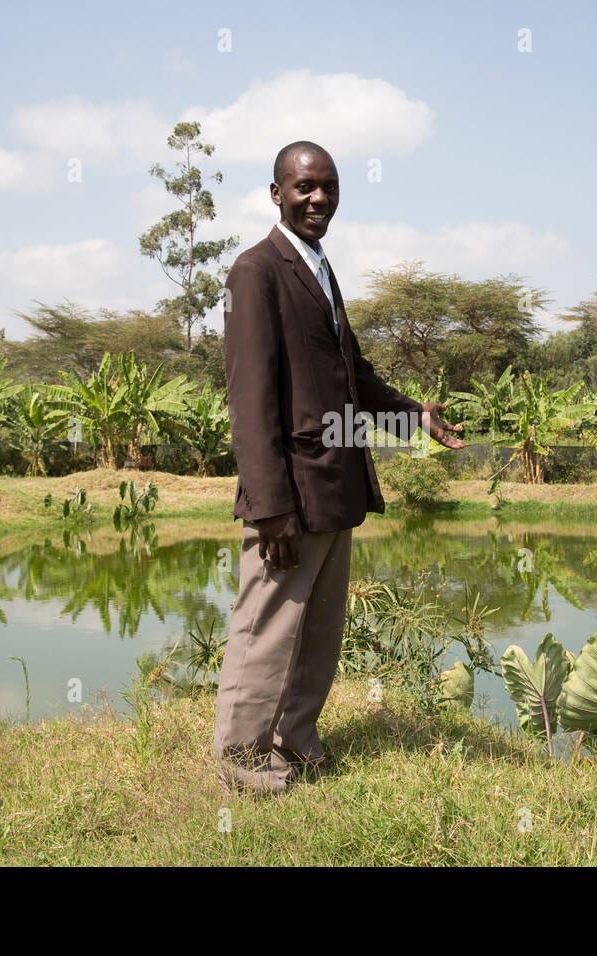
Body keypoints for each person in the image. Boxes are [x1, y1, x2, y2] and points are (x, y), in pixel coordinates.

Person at [213, 140, 463, 796]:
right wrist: (269, 505)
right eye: (304, 188)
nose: (318, 198)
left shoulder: (320, 267)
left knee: (319, 629)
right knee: (265, 629)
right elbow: (249, 398)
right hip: (288, 494)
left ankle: (294, 738)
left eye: (328, 186)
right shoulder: (256, 271)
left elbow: (356, 374)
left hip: (335, 485)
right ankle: (241, 760)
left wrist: (413, 416)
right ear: (276, 195)